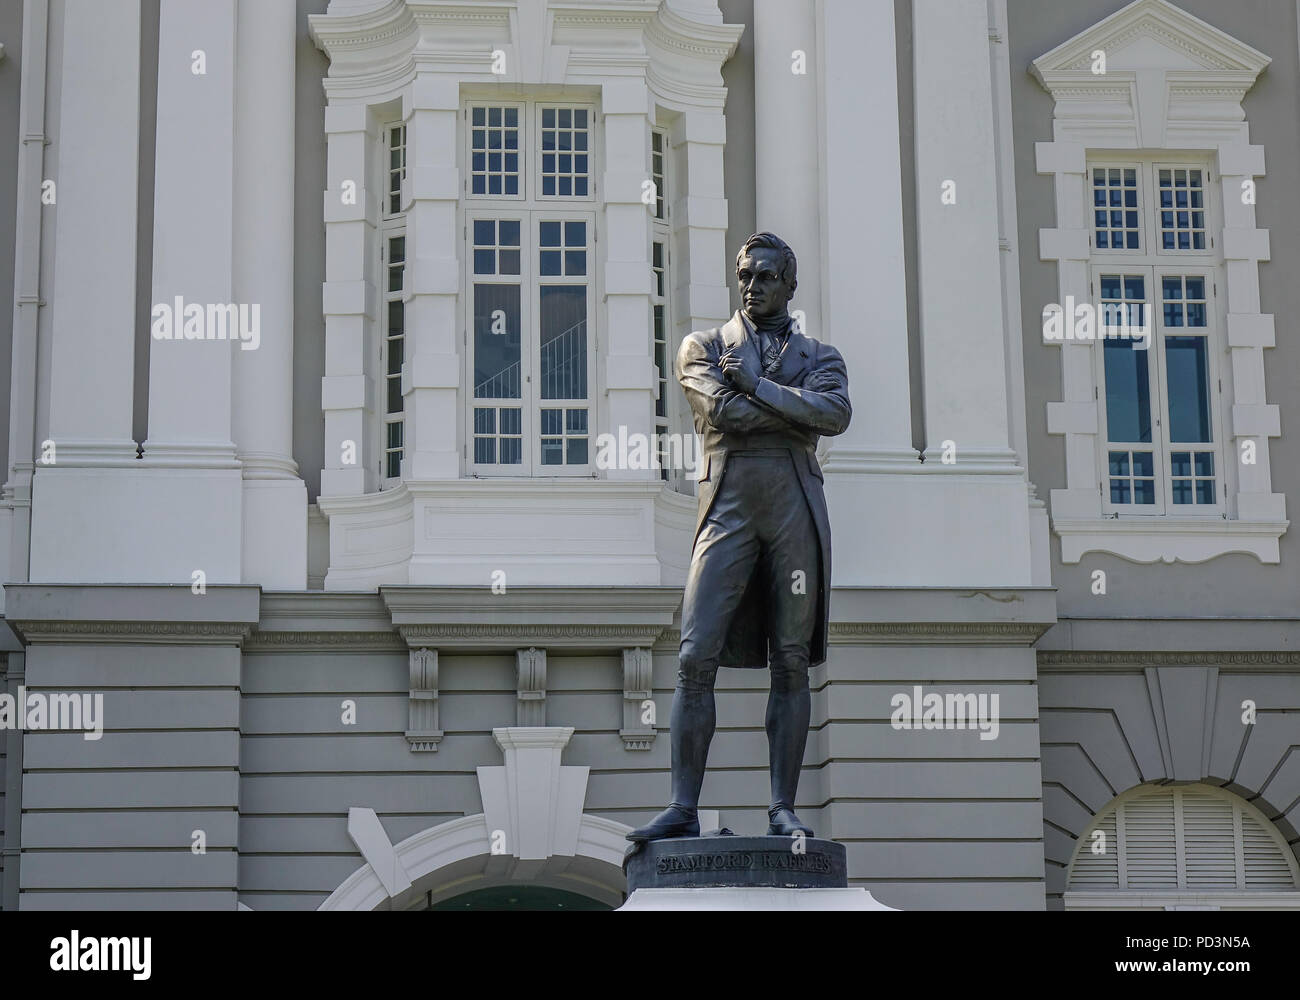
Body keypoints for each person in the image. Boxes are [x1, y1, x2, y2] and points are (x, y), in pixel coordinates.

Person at [627, 232, 851, 841]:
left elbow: (833, 416)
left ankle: (782, 807)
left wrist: (755, 384)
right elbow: (720, 415)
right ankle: (683, 806)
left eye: (767, 277)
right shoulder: (701, 346)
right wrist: (786, 410)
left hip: (794, 510)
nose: (753, 286)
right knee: (695, 653)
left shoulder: (821, 356)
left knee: (792, 660)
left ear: (790, 285)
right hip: (726, 504)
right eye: (745, 275)